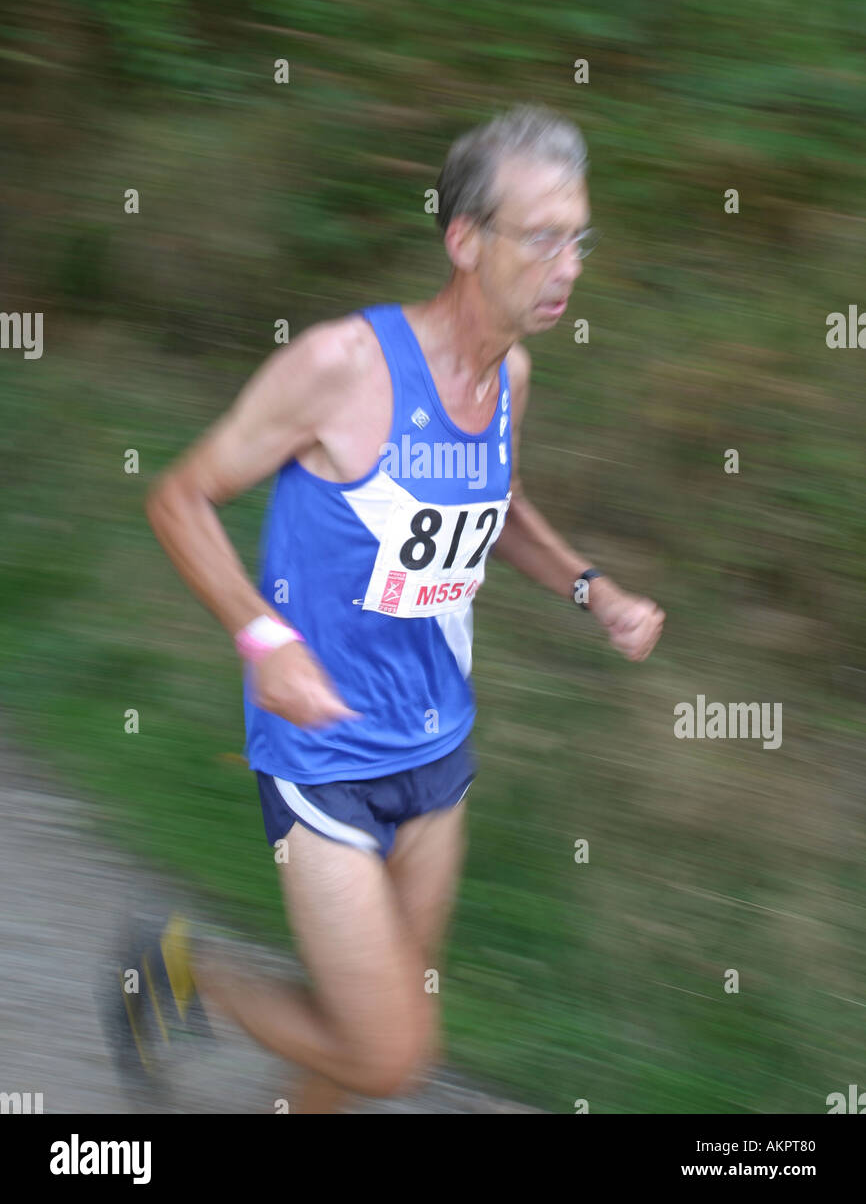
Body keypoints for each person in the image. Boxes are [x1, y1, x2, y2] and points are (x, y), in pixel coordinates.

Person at [113, 103, 664, 1114]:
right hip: (324, 754)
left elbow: (490, 509)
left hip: (437, 741)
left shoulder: (511, 378)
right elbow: (179, 495)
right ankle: (186, 972)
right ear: (464, 240)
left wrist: (593, 588)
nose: (568, 264)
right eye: (541, 237)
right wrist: (262, 634)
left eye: (577, 237)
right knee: (388, 1055)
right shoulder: (341, 366)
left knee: (369, 1043)